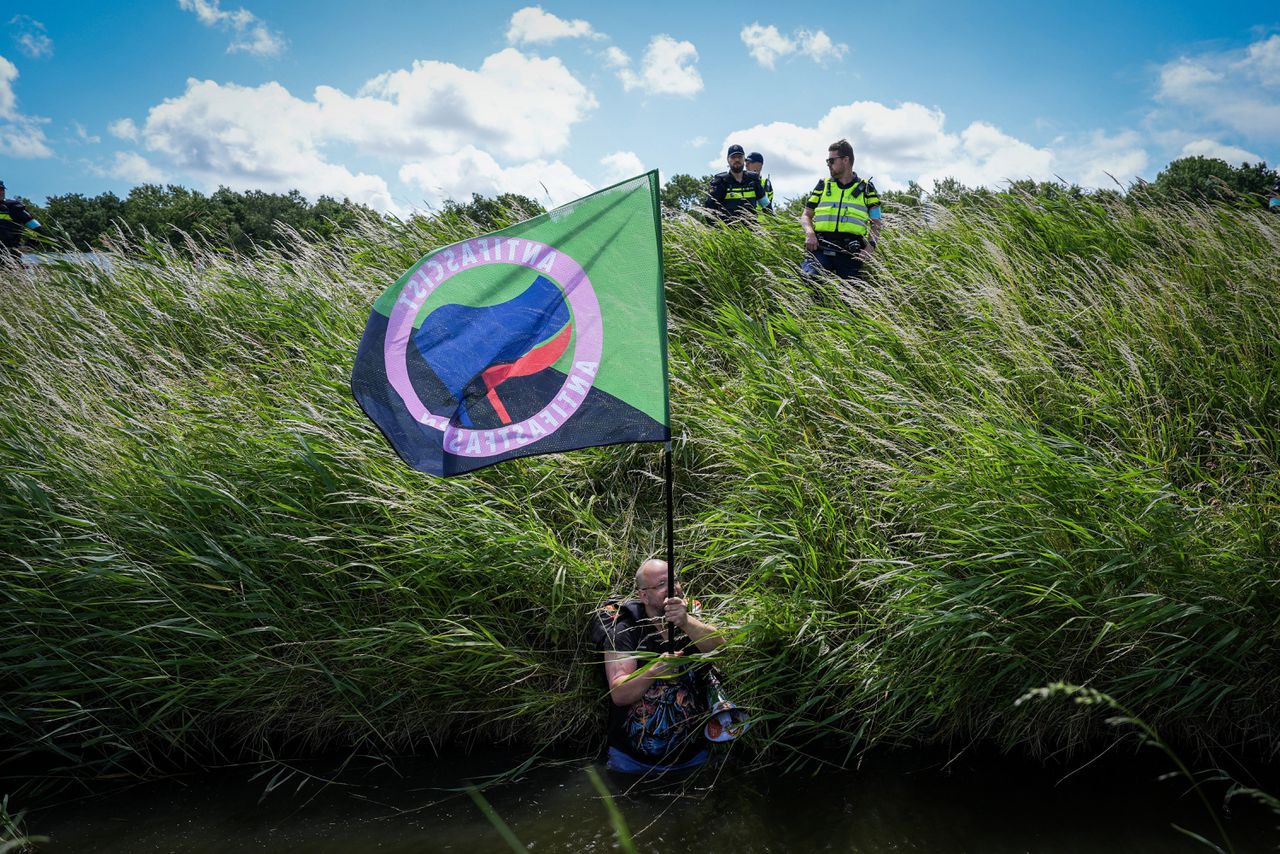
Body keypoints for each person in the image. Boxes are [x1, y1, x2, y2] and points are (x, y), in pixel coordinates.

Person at [598, 558, 725, 774]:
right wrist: (655, 670)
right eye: (660, 585)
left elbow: (723, 653)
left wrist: (686, 622)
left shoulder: (691, 619)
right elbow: (619, 693)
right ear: (643, 595)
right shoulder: (624, 629)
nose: (671, 589)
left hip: (695, 758)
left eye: (674, 581)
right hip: (631, 764)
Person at [800, 139, 882, 279]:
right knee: (809, 278)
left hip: (850, 253)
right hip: (821, 248)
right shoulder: (823, 186)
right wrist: (810, 234)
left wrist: (870, 248)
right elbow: (806, 215)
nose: (828, 165)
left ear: (845, 160)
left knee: (851, 298)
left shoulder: (867, 189)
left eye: (831, 161)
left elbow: (876, 222)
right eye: (827, 161)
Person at [703, 144, 767, 223]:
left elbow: (766, 205)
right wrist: (719, 230)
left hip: (753, 233)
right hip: (729, 233)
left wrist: (774, 227)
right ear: (728, 160)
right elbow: (708, 210)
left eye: (740, 157)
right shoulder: (721, 182)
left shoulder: (753, 180)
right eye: (733, 157)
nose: (737, 160)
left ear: (744, 159)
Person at [0, 180, 42, 260]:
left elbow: (37, 228)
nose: (1, 192)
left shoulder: (14, 208)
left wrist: (29, 246)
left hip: (9, 257)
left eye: (2, 190)